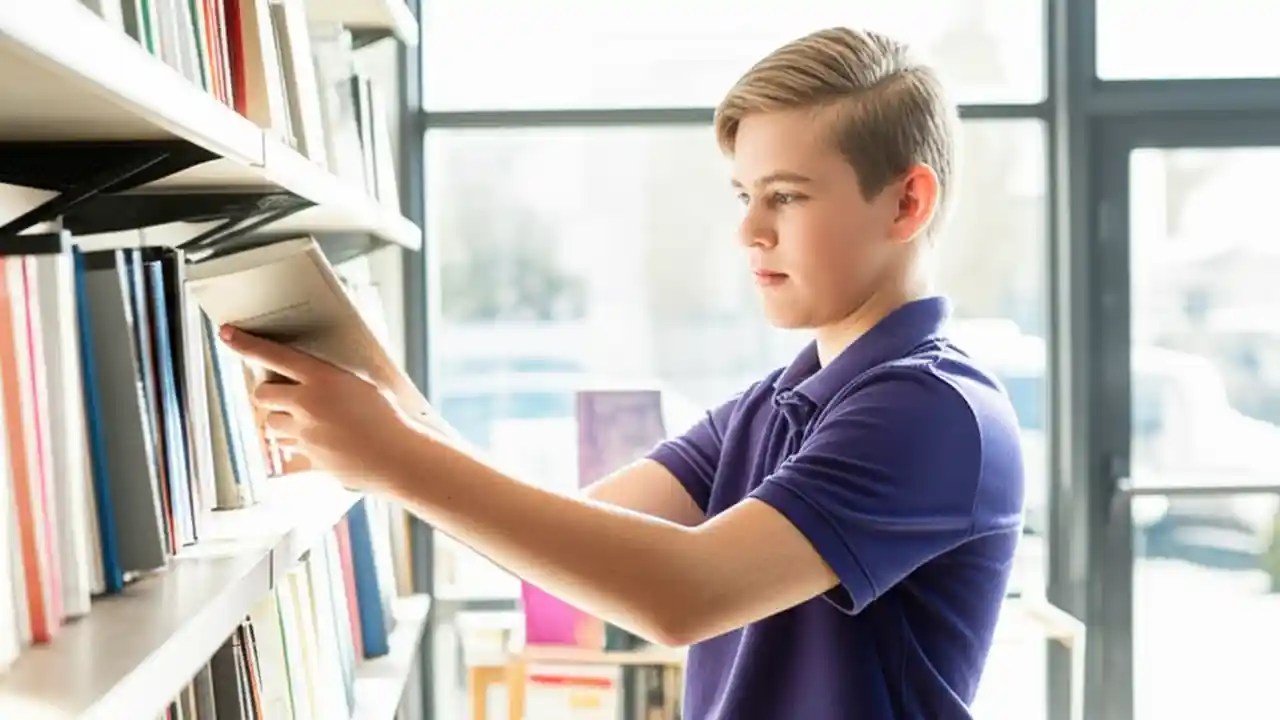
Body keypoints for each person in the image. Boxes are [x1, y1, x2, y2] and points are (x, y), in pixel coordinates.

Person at [222, 26, 1025, 720]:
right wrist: (385, 414)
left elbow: (684, 594)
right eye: (744, 193)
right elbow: (564, 539)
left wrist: (398, 456)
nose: (748, 230)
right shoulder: (774, 404)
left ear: (906, 203)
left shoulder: (935, 412)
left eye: (786, 197)